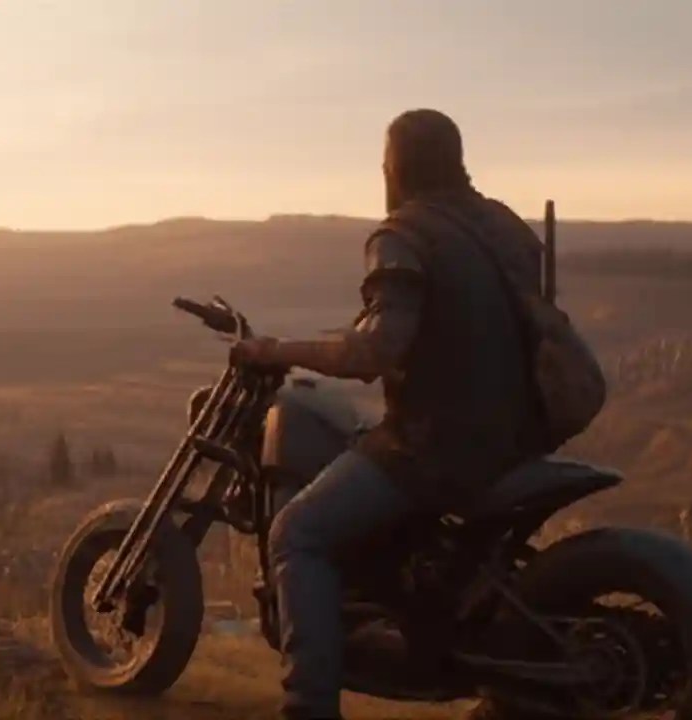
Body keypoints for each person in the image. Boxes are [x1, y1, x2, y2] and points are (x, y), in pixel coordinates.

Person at [231, 108, 545, 720]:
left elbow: (374, 349)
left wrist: (274, 350)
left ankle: (307, 708)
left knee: (298, 533)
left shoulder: (405, 233)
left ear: (395, 167)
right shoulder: (505, 227)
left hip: (436, 446)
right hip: (519, 436)